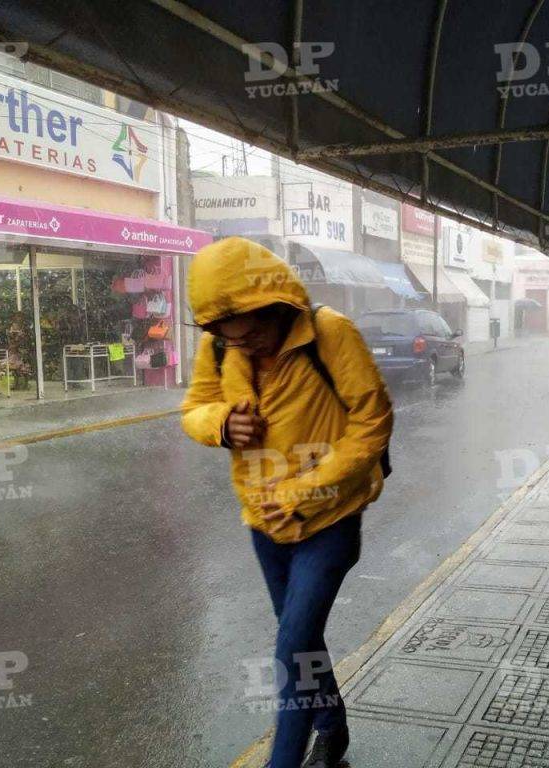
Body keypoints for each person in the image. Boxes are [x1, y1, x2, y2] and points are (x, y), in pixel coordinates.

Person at [181, 238, 393, 768]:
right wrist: (221, 424)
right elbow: (195, 407)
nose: (244, 346)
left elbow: (373, 421)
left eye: (253, 333)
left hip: (329, 518)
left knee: (292, 646)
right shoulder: (219, 346)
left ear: (277, 306)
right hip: (263, 522)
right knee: (301, 639)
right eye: (231, 339)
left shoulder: (330, 332)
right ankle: (332, 729)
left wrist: (304, 492)